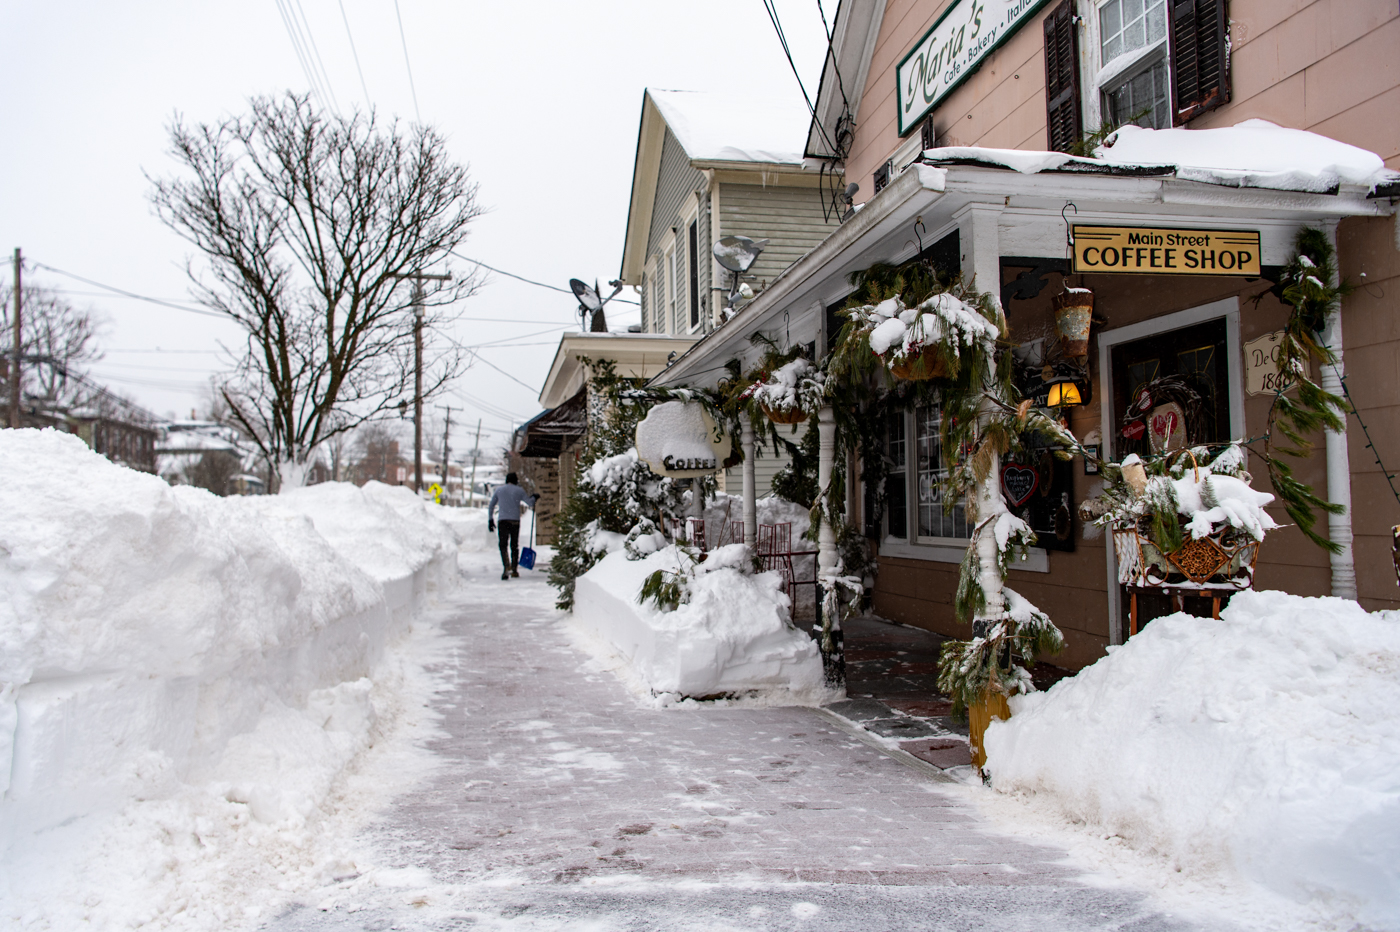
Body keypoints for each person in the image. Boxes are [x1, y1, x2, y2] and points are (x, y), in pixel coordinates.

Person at [487, 473, 538, 581]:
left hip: (503, 521)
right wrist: (534, 497)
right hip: (515, 521)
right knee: (514, 545)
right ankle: (514, 569)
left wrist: (490, 520)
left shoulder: (499, 490)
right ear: (516, 481)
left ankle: (506, 566)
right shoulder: (519, 490)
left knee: (503, 544)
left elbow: (491, 505)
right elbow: (530, 503)